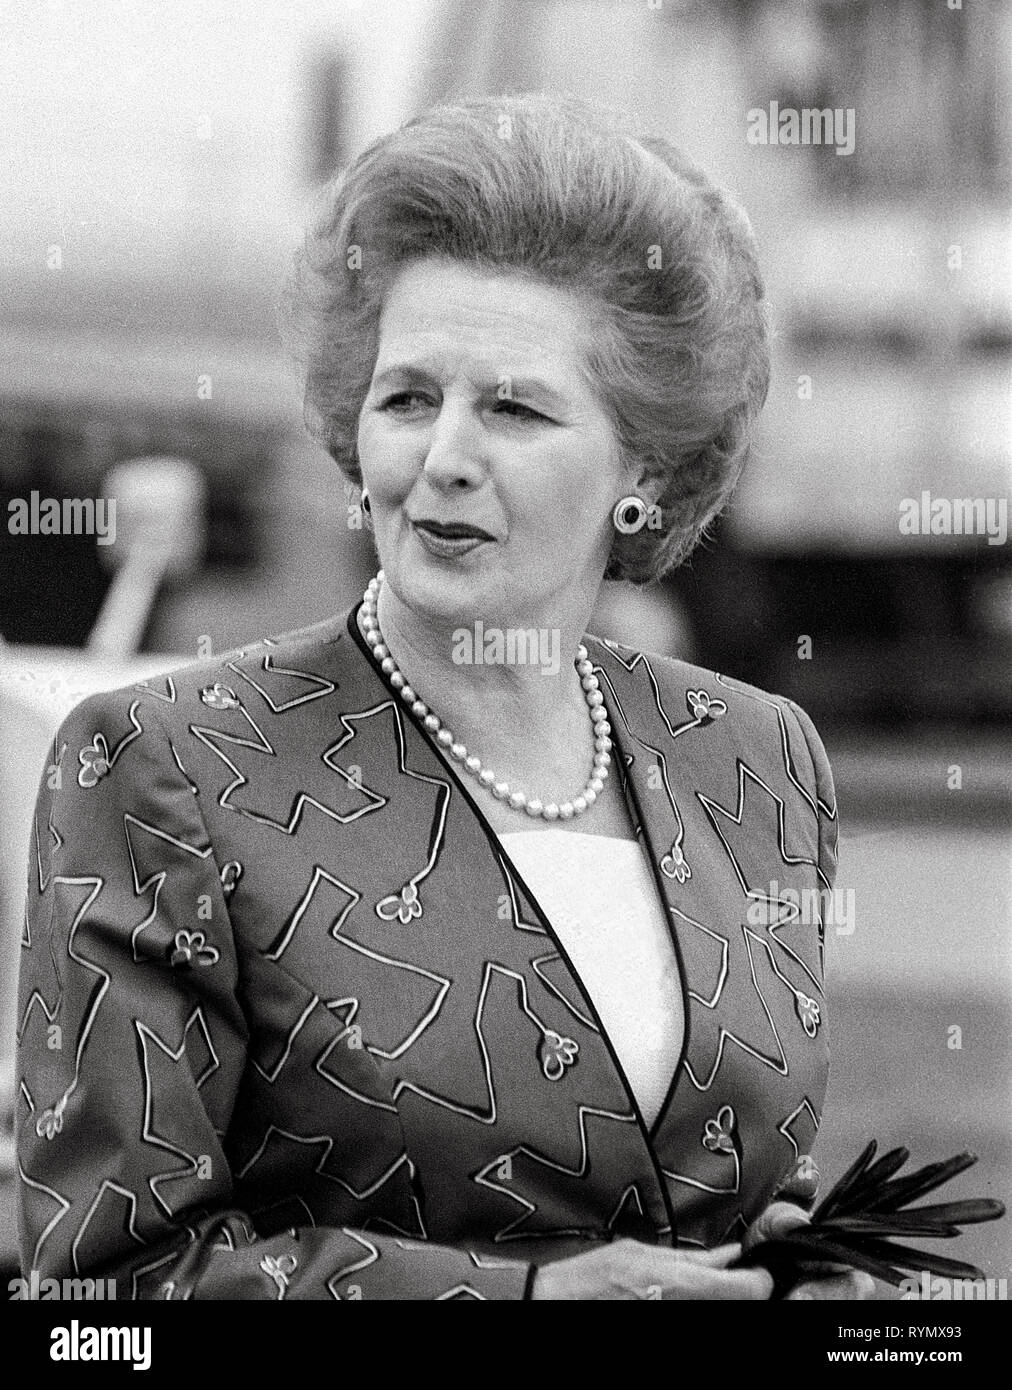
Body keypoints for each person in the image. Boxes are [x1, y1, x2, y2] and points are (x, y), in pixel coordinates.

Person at [16, 92, 872, 1300]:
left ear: (645, 464)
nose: (443, 457)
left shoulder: (753, 755)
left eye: (514, 408)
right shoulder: (164, 764)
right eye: (408, 397)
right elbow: (95, 1300)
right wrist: (519, 1301)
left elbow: (747, 1189)